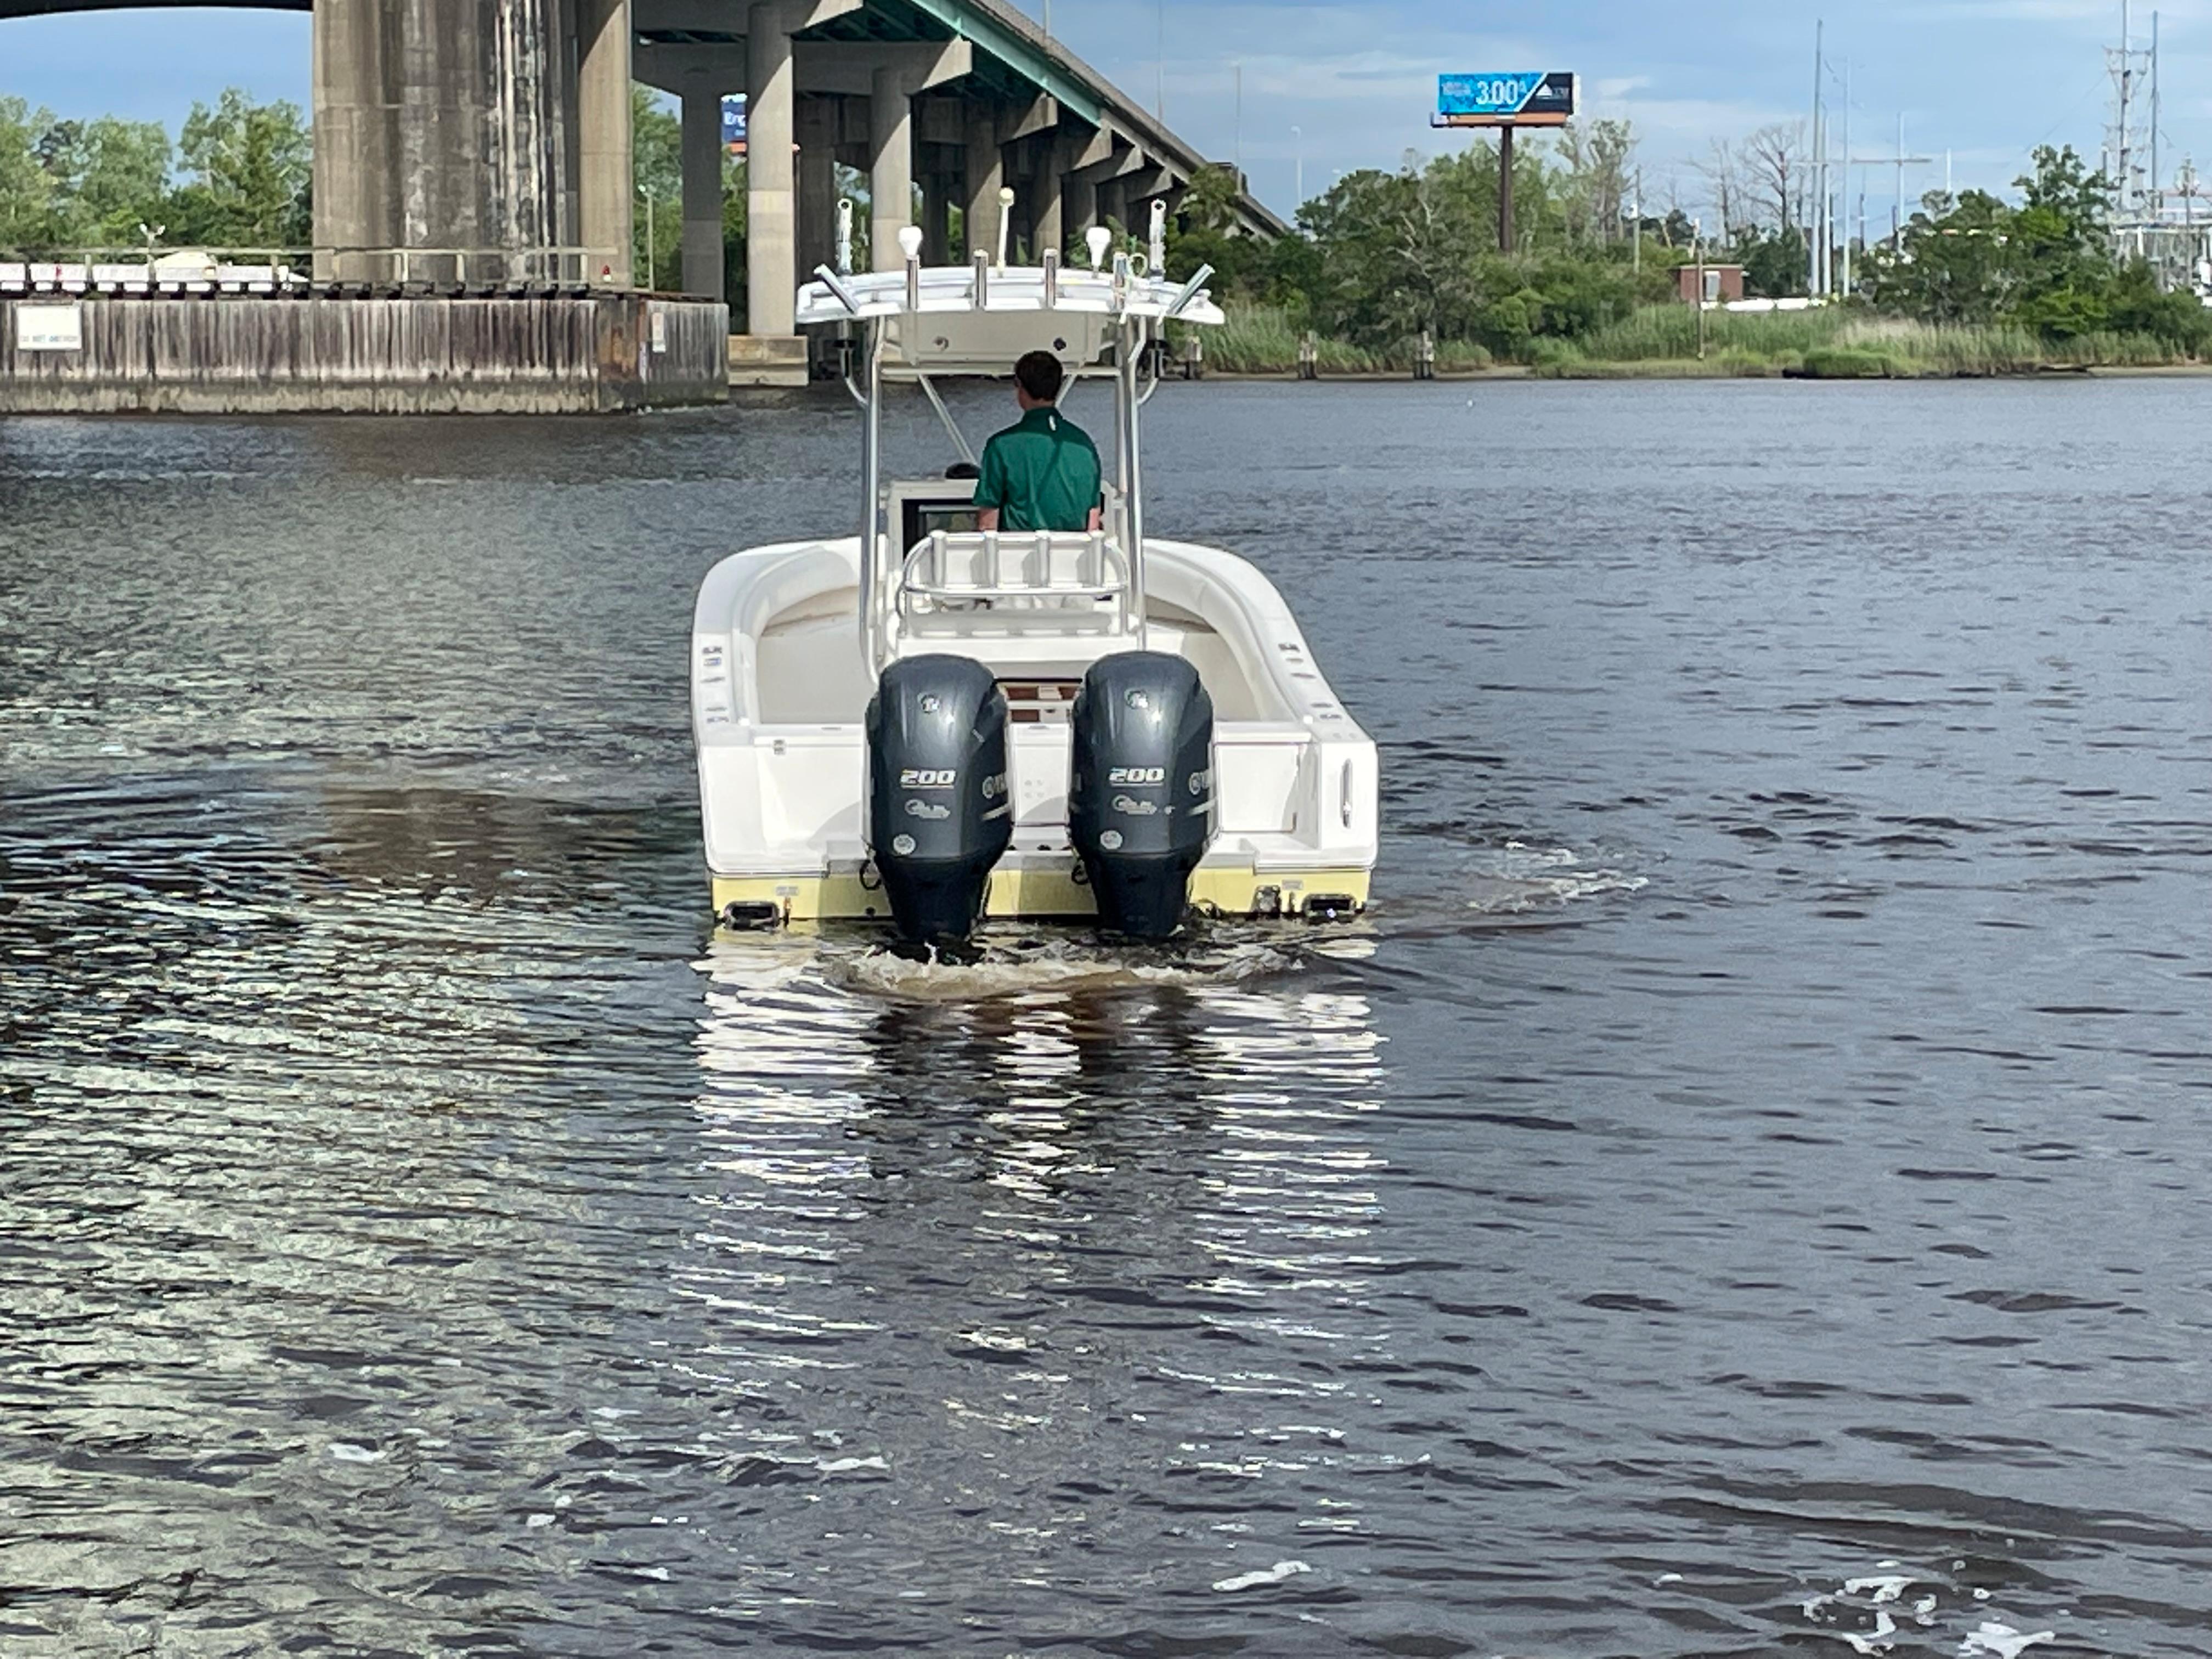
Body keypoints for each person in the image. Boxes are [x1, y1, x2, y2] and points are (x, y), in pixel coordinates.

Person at [973, 350, 1104, 534]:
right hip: (1073, 556)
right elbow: (1093, 518)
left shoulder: (1001, 446)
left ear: (1020, 386)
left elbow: (988, 523)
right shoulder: (1083, 445)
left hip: (1018, 556)